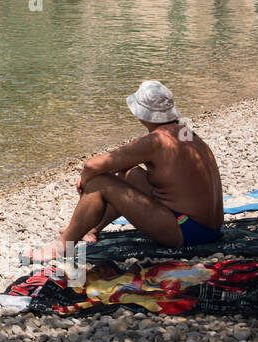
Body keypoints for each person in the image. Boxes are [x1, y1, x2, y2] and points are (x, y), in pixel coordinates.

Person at [28, 80, 223, 261]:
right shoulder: (184, 131)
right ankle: (91, 229)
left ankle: (63, 245)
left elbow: (91, 166)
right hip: (210, 228)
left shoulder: (155, 141)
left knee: (99, 183)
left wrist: (86, 181)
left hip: (187, 231)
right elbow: (123, 163)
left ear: (141, 114)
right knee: (128, 173)